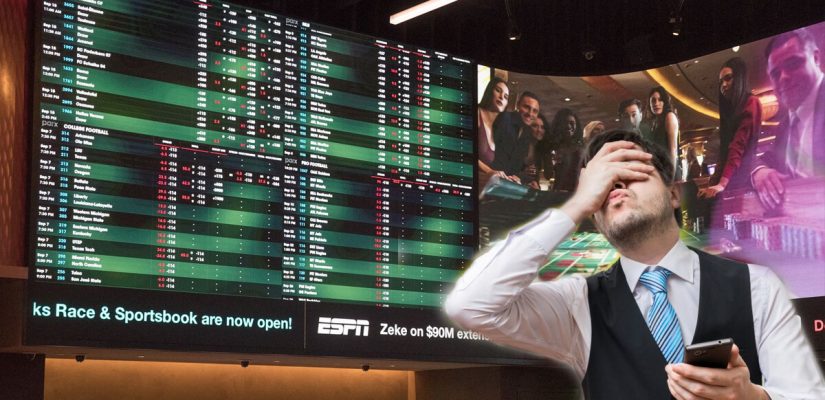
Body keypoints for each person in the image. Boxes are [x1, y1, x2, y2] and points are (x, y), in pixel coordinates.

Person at [446, 130, 825, 399]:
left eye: (631, 173)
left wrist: (752, 399)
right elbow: (469, 305)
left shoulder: (756, 285)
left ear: (674, 194)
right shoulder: (578, 303)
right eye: (605, 184)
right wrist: (575, 205)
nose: (617, 188)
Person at [751, 28, 825, 210]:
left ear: (816, 58)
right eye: (775, 74)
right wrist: (760, 172)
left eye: (793, 64)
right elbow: (767, 160)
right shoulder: (786, 124)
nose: (783, 77)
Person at [699, 57, 763, 199]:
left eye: (728, 78)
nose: (724, 85)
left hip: (743, 181)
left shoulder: (752, 102)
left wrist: (721, 184)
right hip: (730, 181)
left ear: (739, 78)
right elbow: (725, 153)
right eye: (721, 81)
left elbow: (738, 147)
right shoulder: (731, 111)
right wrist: (714, 182)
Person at [490, 91, 542, 185]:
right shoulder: (505, 119)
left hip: (505, 183)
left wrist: (520, 177)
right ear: (518, 105)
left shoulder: (527, 133)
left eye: (535, 111)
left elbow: (515, 166)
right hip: (490, 179)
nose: (530, 113)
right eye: (526, 107)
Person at [537, 108, 583, 191]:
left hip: (575, 194)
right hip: (556, 193)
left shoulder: (581, 149)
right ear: (559, 125)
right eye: (565, 123)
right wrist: (549, 159)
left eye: (572, 123)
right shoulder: (551, 148)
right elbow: (548, 175)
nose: (569, 126)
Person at [477, 77, 512, 186]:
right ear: (489, 91)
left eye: (506, 97)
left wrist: (507, 176)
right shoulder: (477, 112)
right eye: (498, 91)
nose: (502, 97)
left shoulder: (499, 128)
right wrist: (490, 171)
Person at [646, 86, 681, 180]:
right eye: (653, 100)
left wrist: (670, 178)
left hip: (669, 172)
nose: (656, 103)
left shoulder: (669, 117)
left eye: (660, 100)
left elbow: (673, 151)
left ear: (665, 102)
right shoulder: (655, 122)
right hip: (659, 172)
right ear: (649, 103)